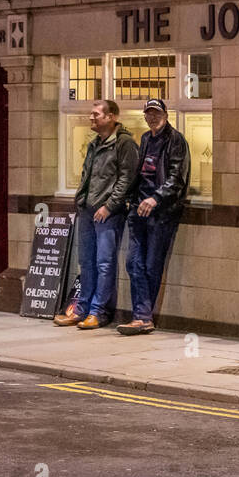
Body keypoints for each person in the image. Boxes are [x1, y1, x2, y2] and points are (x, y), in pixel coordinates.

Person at [54, 100, 138, 329]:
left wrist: (109, 206)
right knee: (86, 263)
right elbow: (86, 176)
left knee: (104, 263)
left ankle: (99, 312)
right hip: (88, 210)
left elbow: (126, 179)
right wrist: (80, 201)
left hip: (108, 213)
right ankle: (81, 310)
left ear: (111, 117)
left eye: (96, 114)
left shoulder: (124, 144)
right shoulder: (94, 144)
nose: (91, 117)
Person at [120, 98, 191, 335]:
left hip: (161, 213)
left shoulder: (175, 140)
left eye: (156, 113)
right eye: (148, 113)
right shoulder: (145, 139)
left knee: (151, 265)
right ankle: (142, 316)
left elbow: (176, 178)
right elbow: (140, 172)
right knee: (133, 263)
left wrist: (156, 198)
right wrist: (132, 199)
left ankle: (142, 317)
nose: (152, 117)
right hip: (138, 209)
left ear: (165, 114)